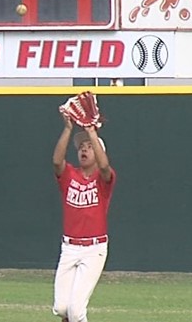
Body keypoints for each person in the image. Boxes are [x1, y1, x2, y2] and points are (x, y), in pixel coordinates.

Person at [51, 96, 115, 322]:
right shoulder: (70, 175)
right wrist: (68, 128)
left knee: (77, 310)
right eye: (81, 148)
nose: (84, 150)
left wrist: (91, 132)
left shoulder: (102, 179)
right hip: (69, 247)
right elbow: (57, 162)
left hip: (94, 248)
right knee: (61, 308)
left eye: (89, 147)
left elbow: (105, 166)